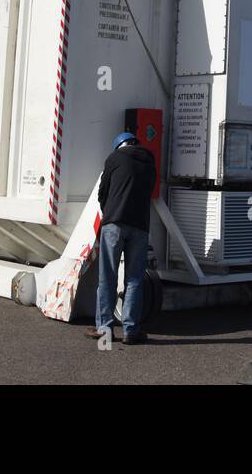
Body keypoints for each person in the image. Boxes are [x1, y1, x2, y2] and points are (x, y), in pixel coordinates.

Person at [86, 131, 157, 344]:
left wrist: (110, 210)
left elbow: (102, 192)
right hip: (141, 226)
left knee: (108, 276)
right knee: (134, 279)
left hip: (114, 224)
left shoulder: (115, 158)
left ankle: (105, 328)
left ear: (119, 146)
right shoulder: (149, 161)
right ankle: (131, 330)